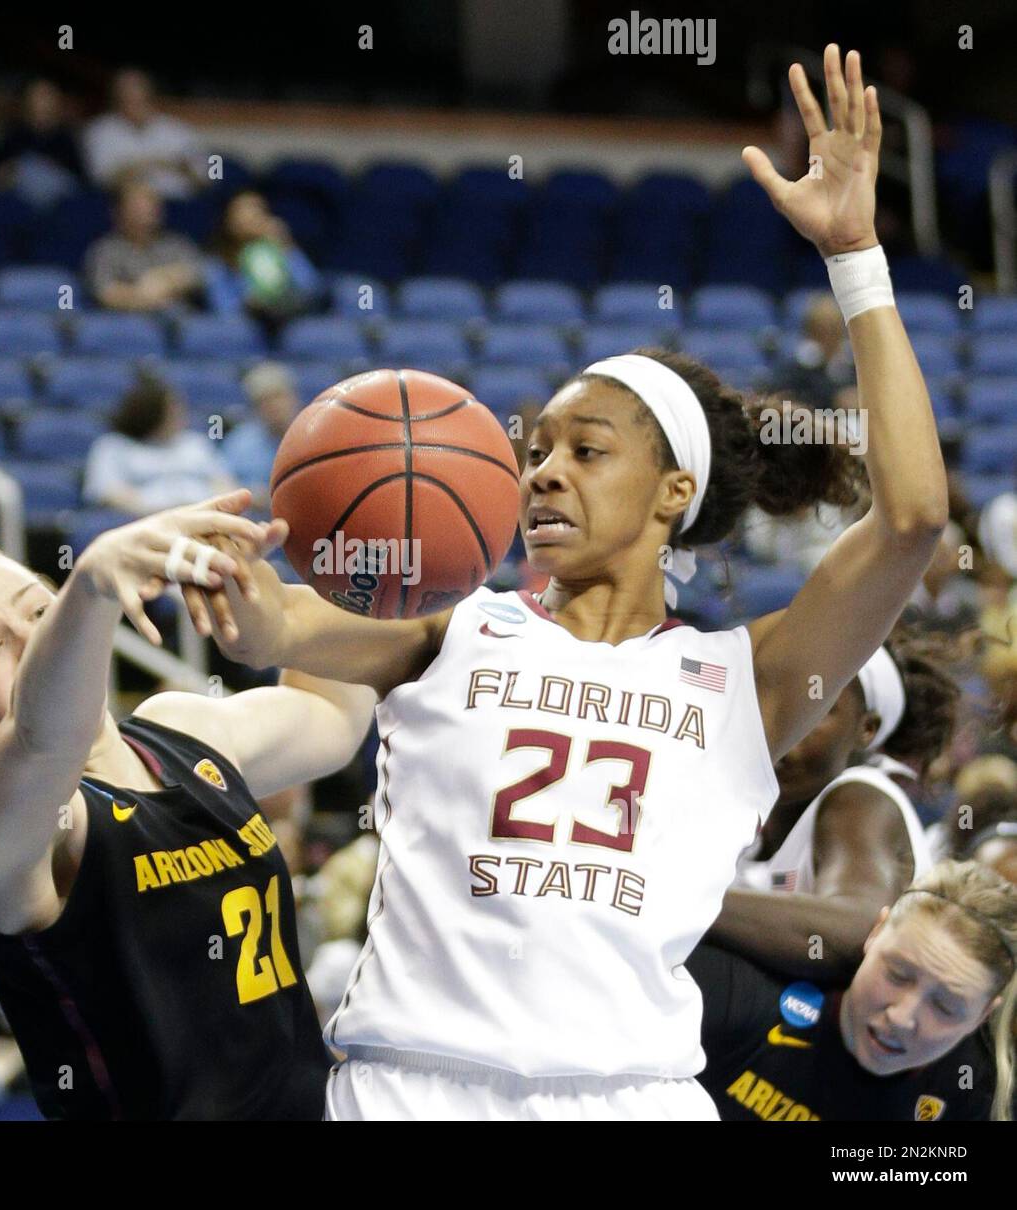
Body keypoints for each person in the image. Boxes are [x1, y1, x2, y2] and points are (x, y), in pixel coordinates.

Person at [204, 46, 951, 1120]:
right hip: (414, 1091)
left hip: (631, 1097)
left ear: (671, 491)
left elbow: (913, 518)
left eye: (586, 449)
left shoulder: (740, 679)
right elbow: (268, 622)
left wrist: (855, 257)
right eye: (535, 448)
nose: (542, 469)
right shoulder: (448, 630)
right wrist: (235, 585)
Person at [0, 492, 378, 1120]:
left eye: (40, 614)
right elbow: (43, 734)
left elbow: (334, 717)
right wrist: (94, 582)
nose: (30, 640)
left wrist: (345, 545)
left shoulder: (181, 729)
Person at [689, 860, 1017, 1121]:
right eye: (898, 975)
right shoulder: (739, 992)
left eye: (945, 1007)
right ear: (876, 932)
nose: (902, 1017)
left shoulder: (974, 1095)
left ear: (983, 1014)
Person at [711, 635, 958, 978]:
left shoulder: (862, 797)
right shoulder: (749, 829)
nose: (781, 723)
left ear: (866, 729)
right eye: (766, 698)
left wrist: (683, 895)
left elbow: (859, 926)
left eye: (816, 708)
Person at [84, 376, 236, 515]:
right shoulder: (114, 446)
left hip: (205, 519)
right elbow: (110, 493)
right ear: (150, 414)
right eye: (172, 410)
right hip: (145, 523)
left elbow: (223, 484)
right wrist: (167, 514)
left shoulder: (196, 443)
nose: (180, 414)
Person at [83, 68, 204, 199]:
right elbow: (101, 180)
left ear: (151, 96)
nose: (134, 102)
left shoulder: (177, 129)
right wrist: (154, 163)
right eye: (127, 97)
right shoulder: (100, 131)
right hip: (125, 205)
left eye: (140, 96)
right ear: (116, 99)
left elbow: (205, 181)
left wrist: (185, 169)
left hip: (178, 203)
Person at [84, 180, 204, 312]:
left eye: (150, 206)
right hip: (125, 318)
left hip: (176, 317)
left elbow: (196, 275)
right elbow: (104, 292)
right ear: (118, 212)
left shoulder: (177, 244)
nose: (144, 212)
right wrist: (144, 296)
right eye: (136, 207)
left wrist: (163, 279)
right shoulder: (105, 249)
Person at [205, 191, 322, 322]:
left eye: (256, 211)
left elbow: (312, 287)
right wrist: (250, 303)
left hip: (289, 318)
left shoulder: (281, 248)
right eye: (242, 212)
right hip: (247, 324)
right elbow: (223, 309)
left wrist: (286, 246)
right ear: (229, 221)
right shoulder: (218, 263)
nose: (250, 218)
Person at [0, 77, 86, 209]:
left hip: (56, 208)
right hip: (13, 204)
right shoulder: (13, 134)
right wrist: (5, 172)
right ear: (26, 102)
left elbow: (81, 183)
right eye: (37, 97)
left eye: (48, 96)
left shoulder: (66, 138)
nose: (43, 103)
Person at [222, 362, 301, 510]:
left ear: (293, 398)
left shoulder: (312, 436)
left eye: (278, 397)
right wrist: (249, 496)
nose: (274, 407)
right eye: (264, 401)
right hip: (251, 523)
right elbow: (222, 485)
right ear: (255, 408)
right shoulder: (238, 442)